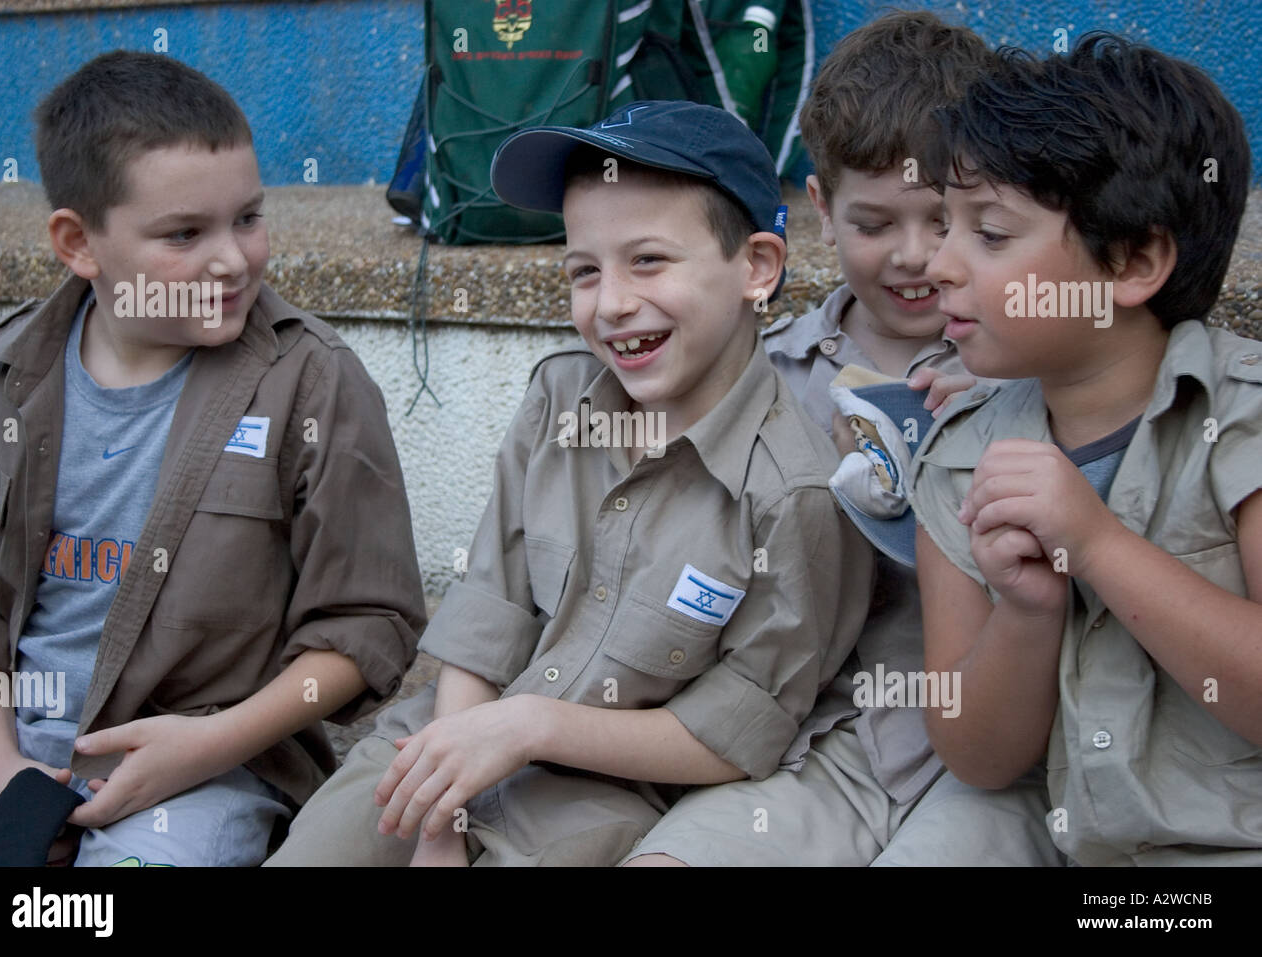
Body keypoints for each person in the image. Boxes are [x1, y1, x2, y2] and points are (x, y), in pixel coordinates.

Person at [265, 99, 873, 866]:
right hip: (444, 736)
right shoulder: (557, 402)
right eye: (584, 271)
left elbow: (736, 730)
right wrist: (441, 817)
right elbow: (491, 610)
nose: (611, 303)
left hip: (607, 793)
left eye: (648, 260)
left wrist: (529, 727)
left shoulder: (795, 493)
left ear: (756, 267)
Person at [0, 51, 426, 866]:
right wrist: (4, 776)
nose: (232, 259)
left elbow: (368, 626)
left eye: (248, 217)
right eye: (185, 233)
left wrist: (202, 749)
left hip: (208, 768)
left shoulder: (314, 384)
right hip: (1, 748)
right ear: (78, 242)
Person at [624, 11, 1061, 867]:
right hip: (809, 745)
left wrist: (1021, 398)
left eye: (945, 220)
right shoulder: (764, 377)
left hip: (993, 766)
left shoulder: (1041, 375)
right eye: (873, 224)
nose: (914, 256)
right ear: (819, 207)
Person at [904, 33, 1260, 865]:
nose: (938, 262)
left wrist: (1098, 545)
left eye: (989, 235)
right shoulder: (962, 456)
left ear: (1132, 261)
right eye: (945, 226)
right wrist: (1028, 611)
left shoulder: (1238, 420)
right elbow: (977, 755)